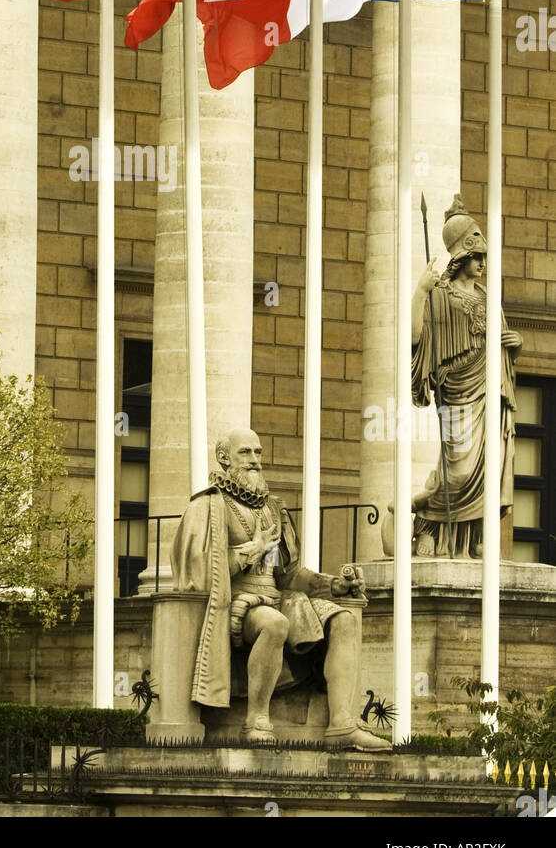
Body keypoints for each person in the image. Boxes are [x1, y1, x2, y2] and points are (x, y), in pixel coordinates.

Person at [171, 427, 384, 749]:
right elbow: (195, 568)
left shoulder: (272, 508)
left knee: (343, 620)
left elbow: (286, 575)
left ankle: (342, 724)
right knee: (274, 624)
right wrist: (249, 551)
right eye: (245, 453)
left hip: (276, 596)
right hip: (235, 603)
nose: (254, 460)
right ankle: (257, 719)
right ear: (224, 458)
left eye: (258, 453)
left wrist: (334, 586)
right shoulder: (208, 507)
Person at [410, 194, 522, 558]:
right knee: (456, 470)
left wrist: (512, 345)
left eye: (484, 257)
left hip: (489, 390)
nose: (482, 264)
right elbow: (415, 338)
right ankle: (426, 521)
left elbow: (500, 346)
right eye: (477, 257)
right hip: (457, 389)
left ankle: (472, 536)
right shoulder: (439, 294)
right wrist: (420, 293)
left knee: (488, 466)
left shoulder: (490, 299)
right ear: (460, 256)